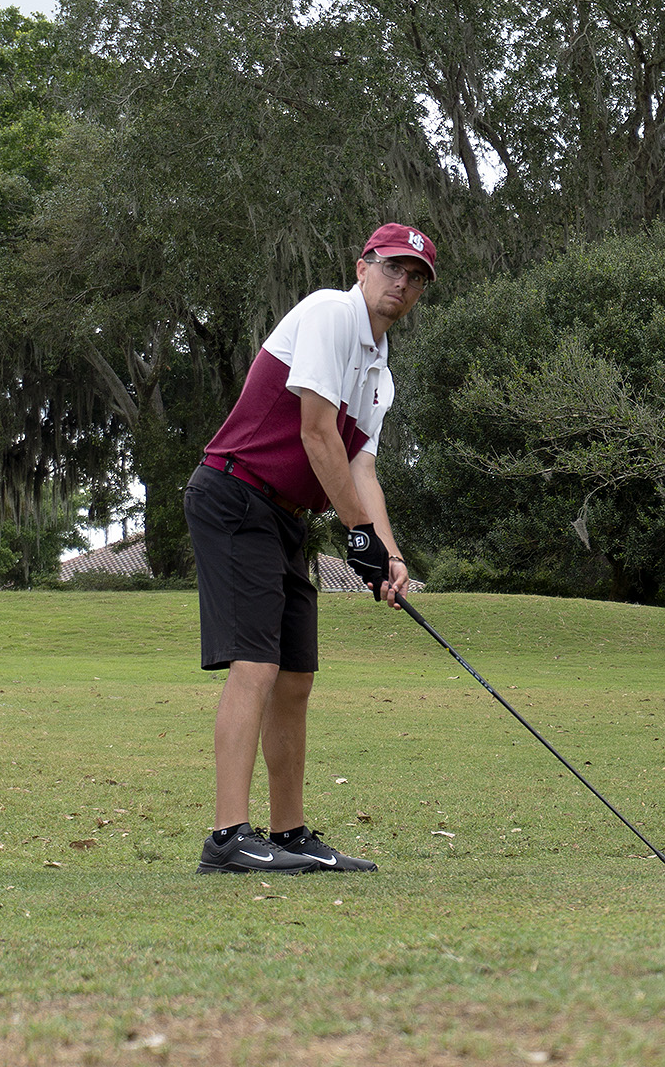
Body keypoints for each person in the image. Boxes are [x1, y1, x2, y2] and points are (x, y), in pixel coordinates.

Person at [184, 223, 435, 875]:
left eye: (415, 278)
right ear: (362, 267)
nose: (400, 284)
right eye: (391, 269)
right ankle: (227, 838)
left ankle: (289, 834)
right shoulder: (328, 313)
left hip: (284, 517)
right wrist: (358, 535)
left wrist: (390, 555)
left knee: (296, 677)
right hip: (235, 494)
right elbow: (317, 435)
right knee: (257, 665)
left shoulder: (380, 380)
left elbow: (361, 471)